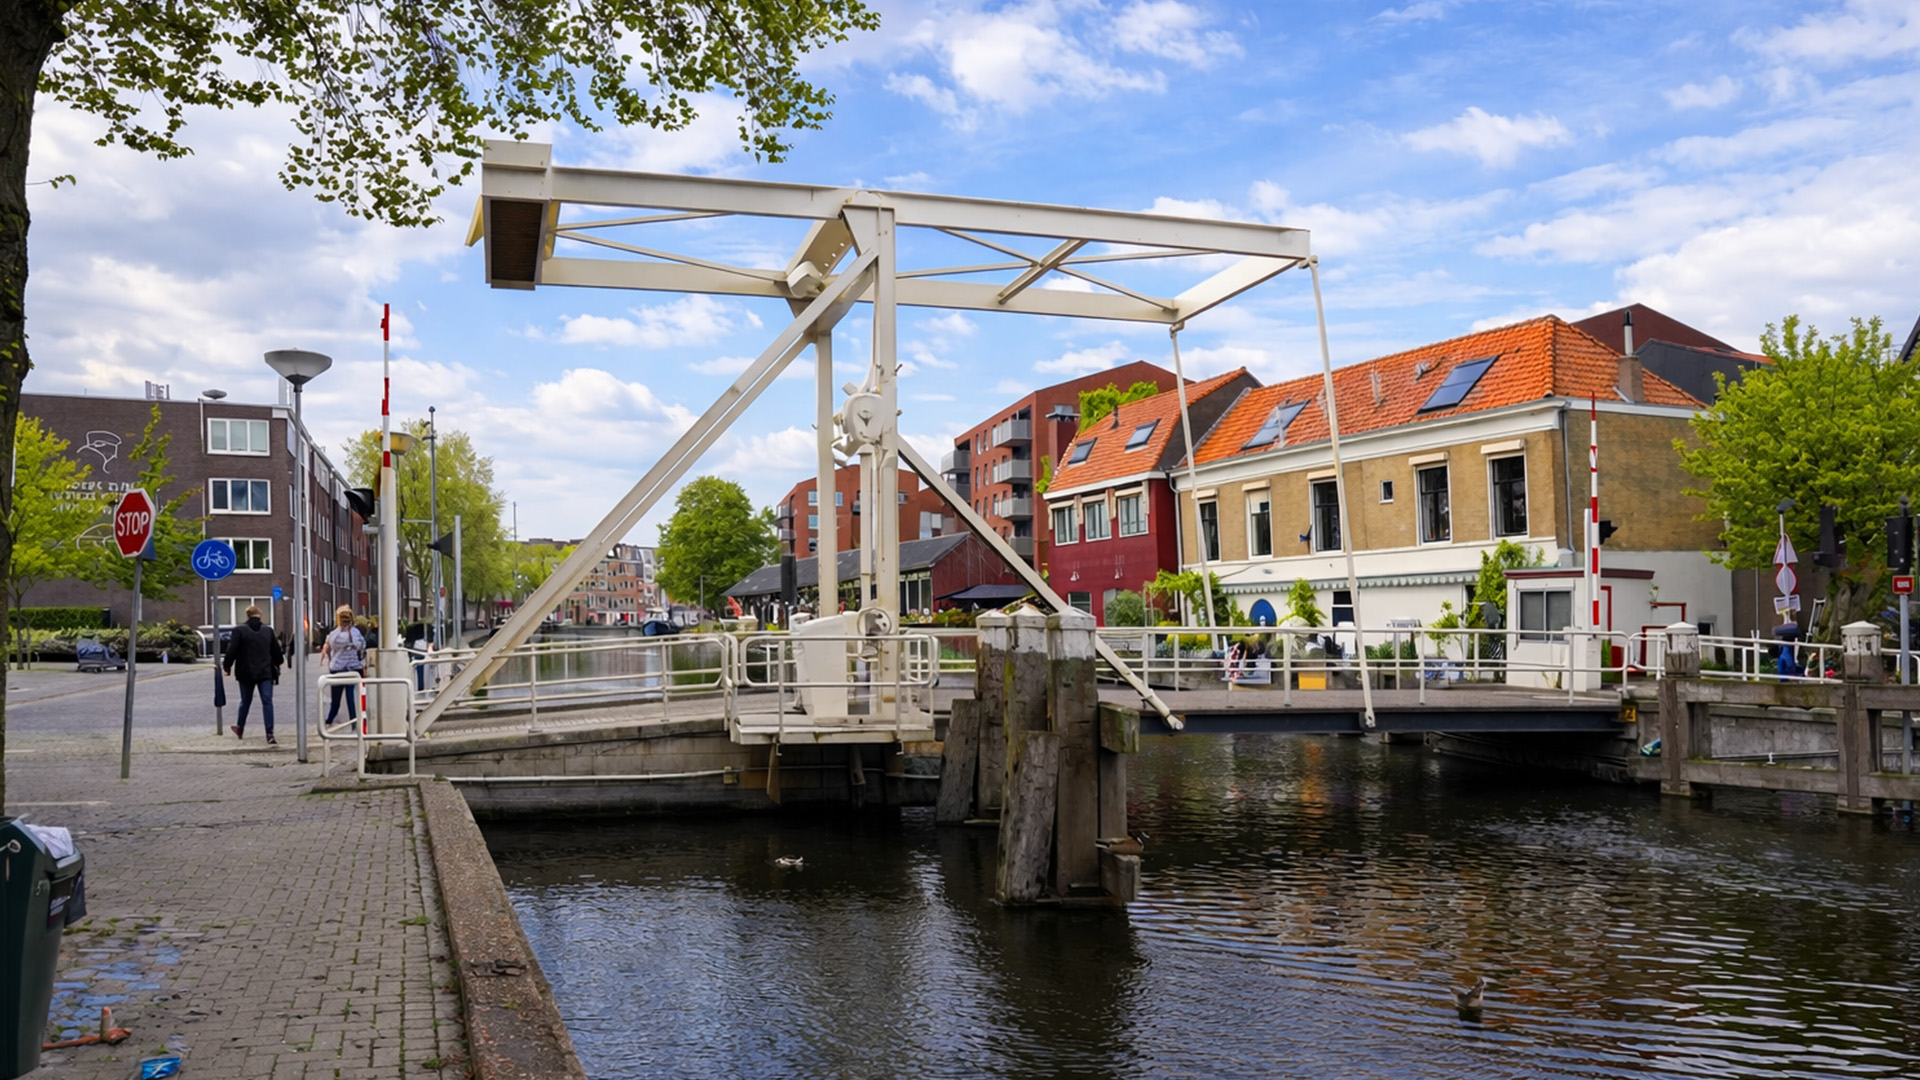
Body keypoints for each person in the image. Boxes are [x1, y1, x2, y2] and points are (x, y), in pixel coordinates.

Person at [223, 605, 284, 743]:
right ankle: (270, 734)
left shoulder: (239, 630)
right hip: (265, 672)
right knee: (267, 702)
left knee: (245, 701)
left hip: (246, 672)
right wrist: (279, 662)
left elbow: (232, 650)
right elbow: (276, 652)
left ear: (247, 615)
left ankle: (240, 728)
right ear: (260, 615)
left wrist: (227, 666)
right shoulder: (268, 631)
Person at [320, 605, 367, 729]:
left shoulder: (335, 634)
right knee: (351, 697)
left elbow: (331, 644)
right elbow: (362, 646)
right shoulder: (356, 633)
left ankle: (329, 720)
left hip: (337, 668)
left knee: (336, 698)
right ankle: (354, 723)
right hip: (353, 668)